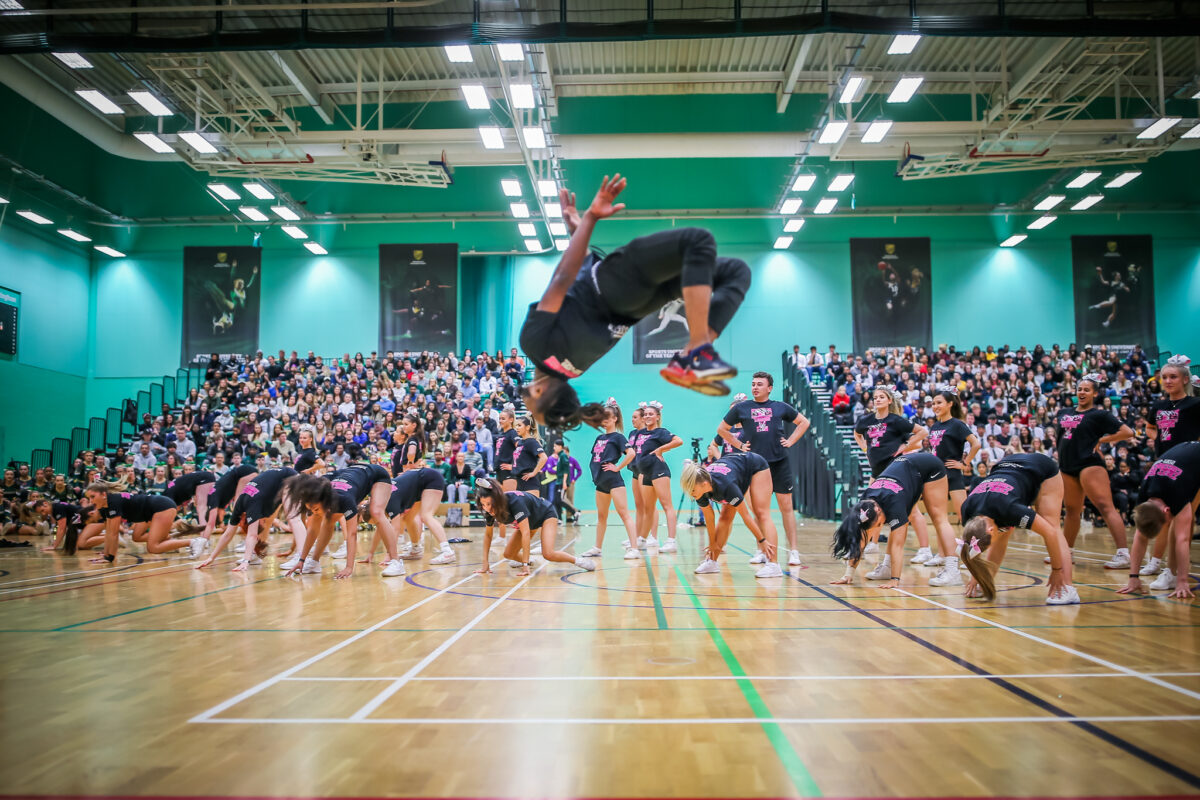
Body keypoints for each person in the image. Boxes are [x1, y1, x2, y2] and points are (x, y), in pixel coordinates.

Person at [519, 175, 751, 429]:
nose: (526, 408)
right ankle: (697, 348)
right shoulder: (535, 345)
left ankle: (695, 350)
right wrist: (589, 219)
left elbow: (578, 282)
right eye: (530, 408)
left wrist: (577, 229)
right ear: (540, 393)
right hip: (614, 285)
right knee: (698, 241)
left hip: (638, 306)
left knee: (736, 272)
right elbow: (564, 278)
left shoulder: (573, 371)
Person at [717, 372, 810, 569]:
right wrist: (739, 445)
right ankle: (761, 549)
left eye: (760, 384)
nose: (755, 387)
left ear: (769, 388)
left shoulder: (780, 407)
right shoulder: (742, 408)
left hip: (779, 463)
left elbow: (804, 422)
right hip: (755, 466)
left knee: (786, 508)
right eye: (753, 384)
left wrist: (791, 440)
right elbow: (722, 429)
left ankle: (793, 551)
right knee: (760, 511)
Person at [957, 453, 1078, 605]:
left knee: (1051, 524)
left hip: (1041, 468)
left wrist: (1056, 570)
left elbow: (1050, 533)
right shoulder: (967, 511)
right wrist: (979, 577)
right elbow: (972, 548)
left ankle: (1067, 587)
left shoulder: (1010, 509)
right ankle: (988, 580)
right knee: (1003, 534)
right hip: (1006, 467)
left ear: (990, 530)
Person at [830, 453, 957, 588]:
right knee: (891, 526)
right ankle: (887, 567)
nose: (881, 525)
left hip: (929, 466)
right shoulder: (865, 504)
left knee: (939, 518)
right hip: (907, 472)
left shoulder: (894, 505)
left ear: (878, 511)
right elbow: (863, 539)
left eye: (879, 524)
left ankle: (953, 571)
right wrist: (848, 574)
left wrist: (895, 579)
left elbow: (898, 545)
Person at [1056, 374, 1134, 568]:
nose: (1082, 392)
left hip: (1089, 463)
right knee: (1072, 510)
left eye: (1086, 390)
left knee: (1105, 507)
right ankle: (1067, 552)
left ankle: (1124, 555)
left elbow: (1127, 432)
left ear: (1095, 393)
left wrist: (1101, 440)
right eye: (1079, 389)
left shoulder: (1100, 415)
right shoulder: (1064, 411)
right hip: (1067, 465)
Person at [852, 387, 932, 569]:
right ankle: (869, 545)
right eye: (875, 397)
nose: (877, 400)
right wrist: (865, 447)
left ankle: (925, 549)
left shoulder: (896, 421)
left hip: (896, 472)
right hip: (876, 471)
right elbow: (857, 433)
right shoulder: (866, 420)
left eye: (881, 397)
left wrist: (904, 446)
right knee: (870, 508)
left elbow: (922, 434)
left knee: (911, 511)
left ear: (889, 401)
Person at [283, 466, 405, 579]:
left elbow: (352, 534)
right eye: (311, 510)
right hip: (348, 474)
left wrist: (348, 567)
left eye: (315, 509)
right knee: (328, 521)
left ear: (324, 502)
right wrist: (302, 561)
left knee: (376, 512)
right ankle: (314, 562)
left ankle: (396, 561)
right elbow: (313, 530)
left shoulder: (345, 500)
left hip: (376, 474)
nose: (314, 512)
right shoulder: (316, 496)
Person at [1140, 355, 1199, 575]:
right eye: (1164, 377)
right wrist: (1159, 439)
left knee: (1184, 516)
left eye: (1173, 377)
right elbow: (1149, 427)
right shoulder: (1158, 405)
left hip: (1190, 467)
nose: (1167, 381)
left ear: (1185, 379)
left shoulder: (1195, 404)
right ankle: (1156, 561)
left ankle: (1173, 568)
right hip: (1164, 464)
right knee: (1163, 516)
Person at [1119, 442, 1200, 599]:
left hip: (1189, 460)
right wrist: (1133, 577)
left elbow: (1182, 540)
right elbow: (1140, 536)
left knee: (1182, 528)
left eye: (1165, 522)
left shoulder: (1178, 495)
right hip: (1185, 455)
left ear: (1166, 510)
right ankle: (1171, 573)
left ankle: (1175, 575)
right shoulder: (1144, 497)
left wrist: (1183, 581)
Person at [913, 388, 980, 578]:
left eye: (939, 402)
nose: (935, 406)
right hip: (936, 476)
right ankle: (942, 554)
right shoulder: (934, 427)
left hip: (953, 475)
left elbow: (976, 444)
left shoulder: (957, 425)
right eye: (933, 403)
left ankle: (972, 555)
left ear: (950, 404)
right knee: (939, 517)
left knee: (964, 516)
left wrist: (964, 464)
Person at [681, 453, 780, 577]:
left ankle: (774, 564)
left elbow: (746, 516)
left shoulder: (727, 487)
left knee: (761, 513)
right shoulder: (699, 490)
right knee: (725, 517)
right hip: (733, 470)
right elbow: (709, 517)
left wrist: (762, 541)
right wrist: (712, 544)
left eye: (693, 490)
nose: (691, 493)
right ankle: (712, 562)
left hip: (754, 465)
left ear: (705, 485)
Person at [473, 478, 595, 575]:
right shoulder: (489, 511)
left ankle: (578, 561)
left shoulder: (515, 502)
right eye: (483, 504)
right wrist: (485, 563)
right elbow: (488, 535)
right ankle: (531, 560)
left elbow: (526, 533)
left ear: (497, 499)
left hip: (545, 513)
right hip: (530, 520)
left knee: (548, 554)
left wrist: (524, 566)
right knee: (509, 554)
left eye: (489, 503)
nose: (487, 508)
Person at [195, 467, 303, 571]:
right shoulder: (240, 507)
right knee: (280, 518)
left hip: (290, 478)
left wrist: (245, 561)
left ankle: (302, 557)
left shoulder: (252, 505)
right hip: (280, 481)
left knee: (293, 518)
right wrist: (211, 557)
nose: (264, 522)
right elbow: (227, 534)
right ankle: (254, 555)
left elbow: (252, 535)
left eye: (262, 522)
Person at [581, 398, 638, 560]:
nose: (604, 421)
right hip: (600, 482)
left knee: (624, 514)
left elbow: (631, 453)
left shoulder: (618, 437)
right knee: (601, 516)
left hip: (614, 481)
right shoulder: (599, 438)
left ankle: (634, 548)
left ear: (615, 419)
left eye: (607, 417)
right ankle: (597, 547)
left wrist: (618, 467)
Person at [84, 481, 189, 561]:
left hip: (161, 507)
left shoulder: (113, 503)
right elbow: (109, 533)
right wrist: (106, 554)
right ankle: (172, 536)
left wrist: (109, 558)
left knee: (153, 548)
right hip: (149, 512)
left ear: (104, 494)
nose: (91, 501)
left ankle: (193, 542)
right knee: (137, 537)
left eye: (93, 497)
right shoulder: (106, 506)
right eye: (89, 498)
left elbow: (114, 534)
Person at [378, 467, 456, 568]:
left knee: (426, 515)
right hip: (419, 485)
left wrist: (389, 555)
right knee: (408, 518)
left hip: (431, 479)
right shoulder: (384, 493)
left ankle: (447, 551)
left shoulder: (391, 499)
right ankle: (415, 549)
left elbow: (395, 529)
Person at [633, 401, 683, 552]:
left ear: (657, 417)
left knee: (666, 505)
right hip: (645, 473)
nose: (647, 416)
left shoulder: (660, 432)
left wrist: (661, 449)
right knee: (648, 509)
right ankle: (642, 539)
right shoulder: (641, 433)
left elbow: (678, 441)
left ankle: (671, 542)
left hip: (659, 470)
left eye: (651, 414)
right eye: (646, 414)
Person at [194, 463, 258, 556]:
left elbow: (210, 524)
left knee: (239, 508)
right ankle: (247, 540)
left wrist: (204, 541)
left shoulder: (212, 499)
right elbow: (225, 528)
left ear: (216, 513)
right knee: (242, 510)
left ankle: (248, 542)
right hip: (249, 472)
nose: (223, 516)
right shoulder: (221, 502)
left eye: (220, 518)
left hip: (245, 473)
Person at [511, 415, 547, 496]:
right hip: (519, 482)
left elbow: (544, 458)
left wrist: (534, 473)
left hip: (530, 484)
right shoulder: (520, 442)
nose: (516, 428)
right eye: (516, 425)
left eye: (519, 425)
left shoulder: (531, 441)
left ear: (527, 427)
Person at [495, 408, 521, 492]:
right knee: (501, 501)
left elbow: (521, 449)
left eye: (503, 419)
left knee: (509, 500)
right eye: (499, 418)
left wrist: (513, 466)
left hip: (508, 473)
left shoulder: (512, 433)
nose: (500, 421)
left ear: (511, 420)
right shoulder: (501, 434)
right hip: (499, 471)